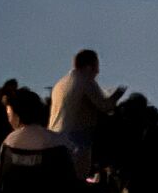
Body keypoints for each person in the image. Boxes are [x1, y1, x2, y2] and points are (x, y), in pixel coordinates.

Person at [48, 49, 123, 177]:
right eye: (96, 67)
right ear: (89, 67)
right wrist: (118, 94)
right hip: (77, 141)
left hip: (54, 139)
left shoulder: (60, 83)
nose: (97, 72)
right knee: (77, 180)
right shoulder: (86, 81)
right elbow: (104, 106)